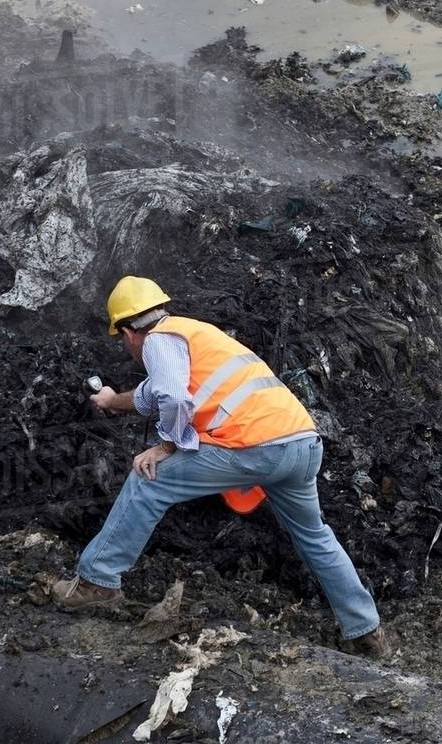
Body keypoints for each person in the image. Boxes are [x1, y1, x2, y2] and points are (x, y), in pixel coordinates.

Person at [51, 276, 390, 658]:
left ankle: (98, 581)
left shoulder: (159, 342)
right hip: (301, 444)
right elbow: (150, 394)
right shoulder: (193, 334)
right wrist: (113, 401)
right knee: (315, 536)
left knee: (149, 479)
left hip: (253, 447)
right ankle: (366, 629)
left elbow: (174, 398)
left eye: (121, 338)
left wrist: (165, 447)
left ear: (129, 332)